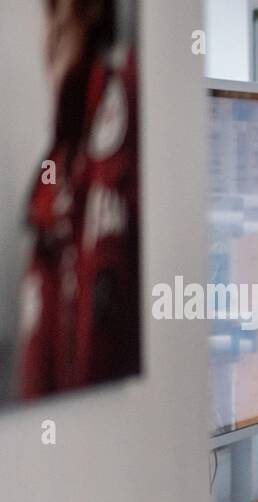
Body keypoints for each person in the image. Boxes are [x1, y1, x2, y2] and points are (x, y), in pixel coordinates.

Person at [18, 0, 140, 401]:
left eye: (62, 8)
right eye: (47, 11)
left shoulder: (134, 103)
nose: (53, 29)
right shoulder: (52, 177)